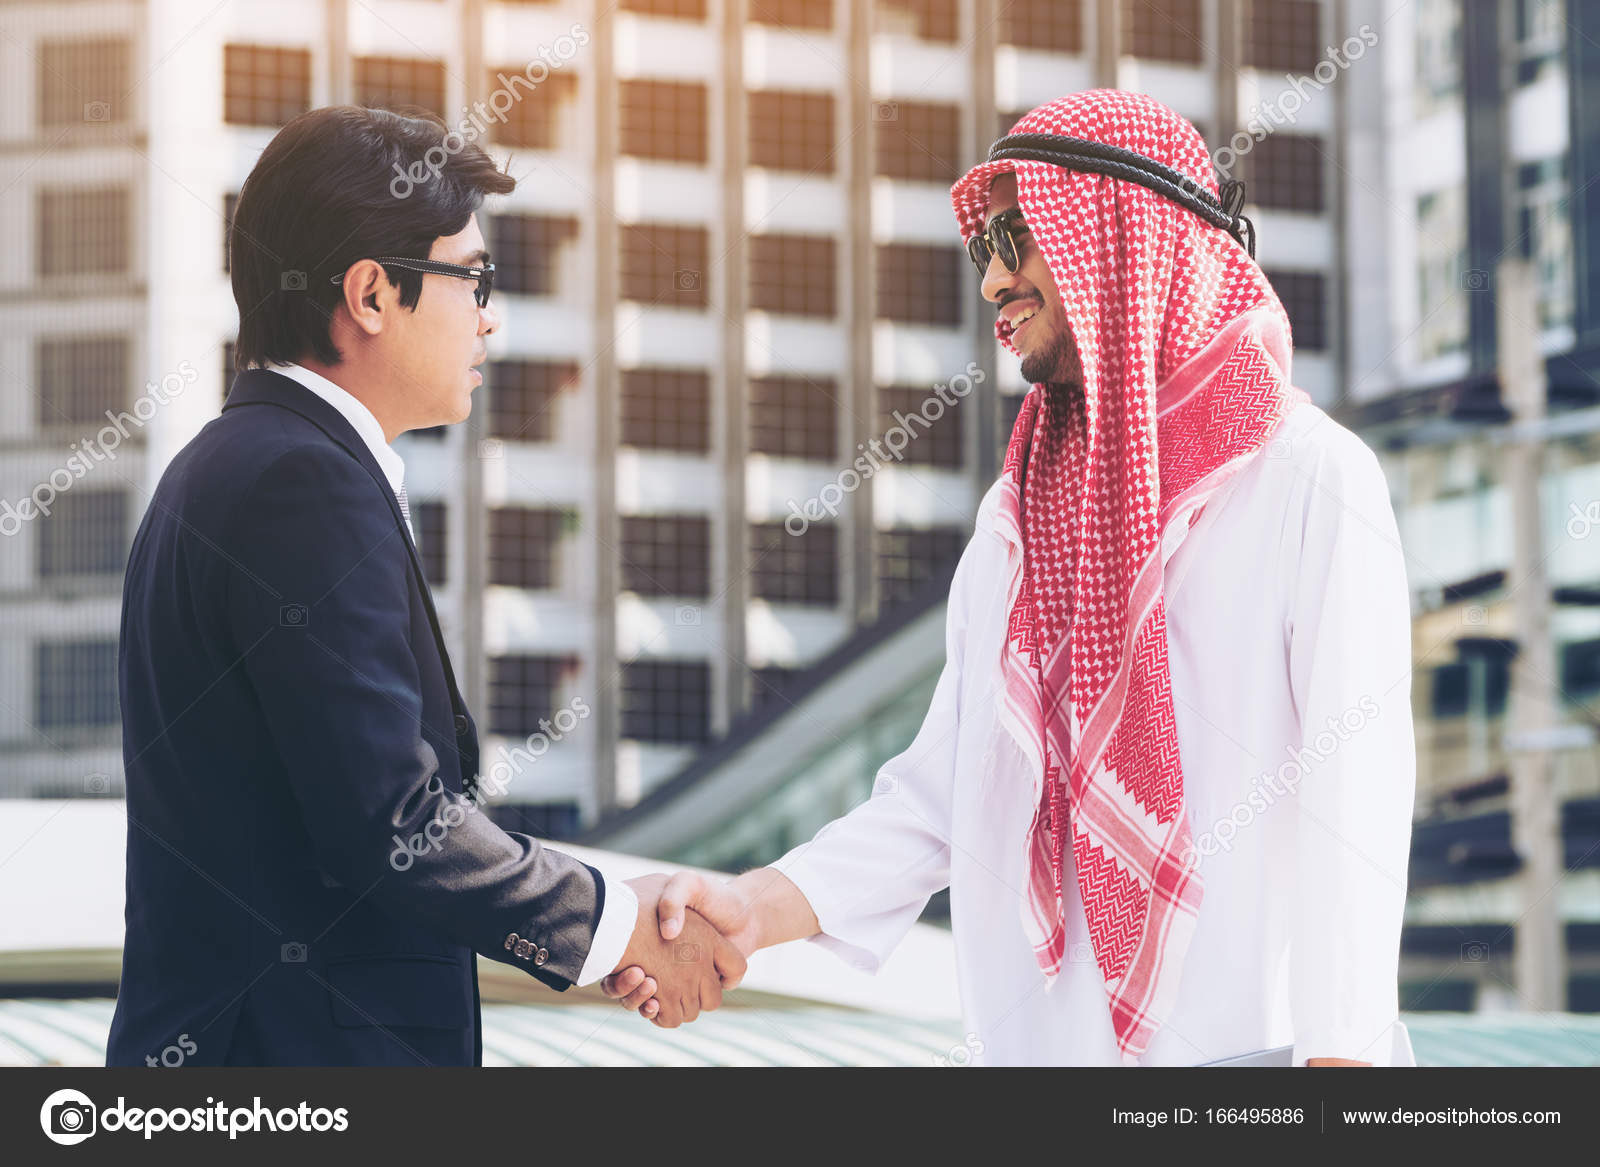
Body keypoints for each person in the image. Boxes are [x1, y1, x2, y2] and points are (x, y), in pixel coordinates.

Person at [606, 90, 1417, 1067]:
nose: (993, 280)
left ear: (1123, 241)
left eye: (1018, 236)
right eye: (983, 245)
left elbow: (1354, 795)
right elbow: (943, 799)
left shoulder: (1309, 479)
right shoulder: (1017, 516)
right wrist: (748, 910)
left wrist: (1344, 1068)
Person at [107, 105, 741, 1067]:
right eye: (475, 277)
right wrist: (615, 925)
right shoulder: (300, 482)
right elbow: (393, 825)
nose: (491, 314)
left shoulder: (233, 462)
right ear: (369, 293)